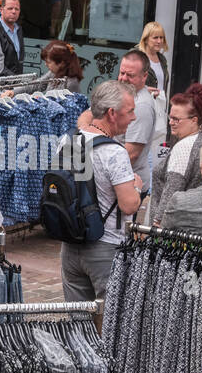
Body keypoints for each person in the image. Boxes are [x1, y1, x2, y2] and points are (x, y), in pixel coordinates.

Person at [61, 81, 143, 303]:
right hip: (105, 247)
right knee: (110, 322)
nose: (134, 117)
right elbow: (128, 205)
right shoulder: (115, 153)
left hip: (70, 243)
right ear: (112, 113)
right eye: (130, 111)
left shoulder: (69, 140)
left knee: (77, 321)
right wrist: (136, 185)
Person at [80, 50, 157, 192]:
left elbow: (131, 154)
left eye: (130, 75)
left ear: (144, 76)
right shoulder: (119, 91)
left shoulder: (142, 107)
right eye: (122, 73)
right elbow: (87, 115)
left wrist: (95, 166)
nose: (123, 78)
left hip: (126, 184)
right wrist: (84, 134)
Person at [152, 83, 202, 223]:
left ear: (194, 120)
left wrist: (156, 224)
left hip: (172, 228)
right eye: (170, 117)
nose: (171, 123)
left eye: (176, 119)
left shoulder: (184, 147)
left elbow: (172, 190)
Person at [0, 0, 25, 76]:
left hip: (15, 84)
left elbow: (18, 61)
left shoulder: (19, 29)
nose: (14, 12)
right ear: (1, 10)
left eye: (16, 9)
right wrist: (15, 80)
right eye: (10, 8)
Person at [139, 22, 171, 93]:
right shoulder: (137, 57)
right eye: (155, 38)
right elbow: (125, 84)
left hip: (160, 103)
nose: (159, 41)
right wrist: (143, 90)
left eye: (161, 37)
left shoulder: (162, 59)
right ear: (146, 39)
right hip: (142, 102)